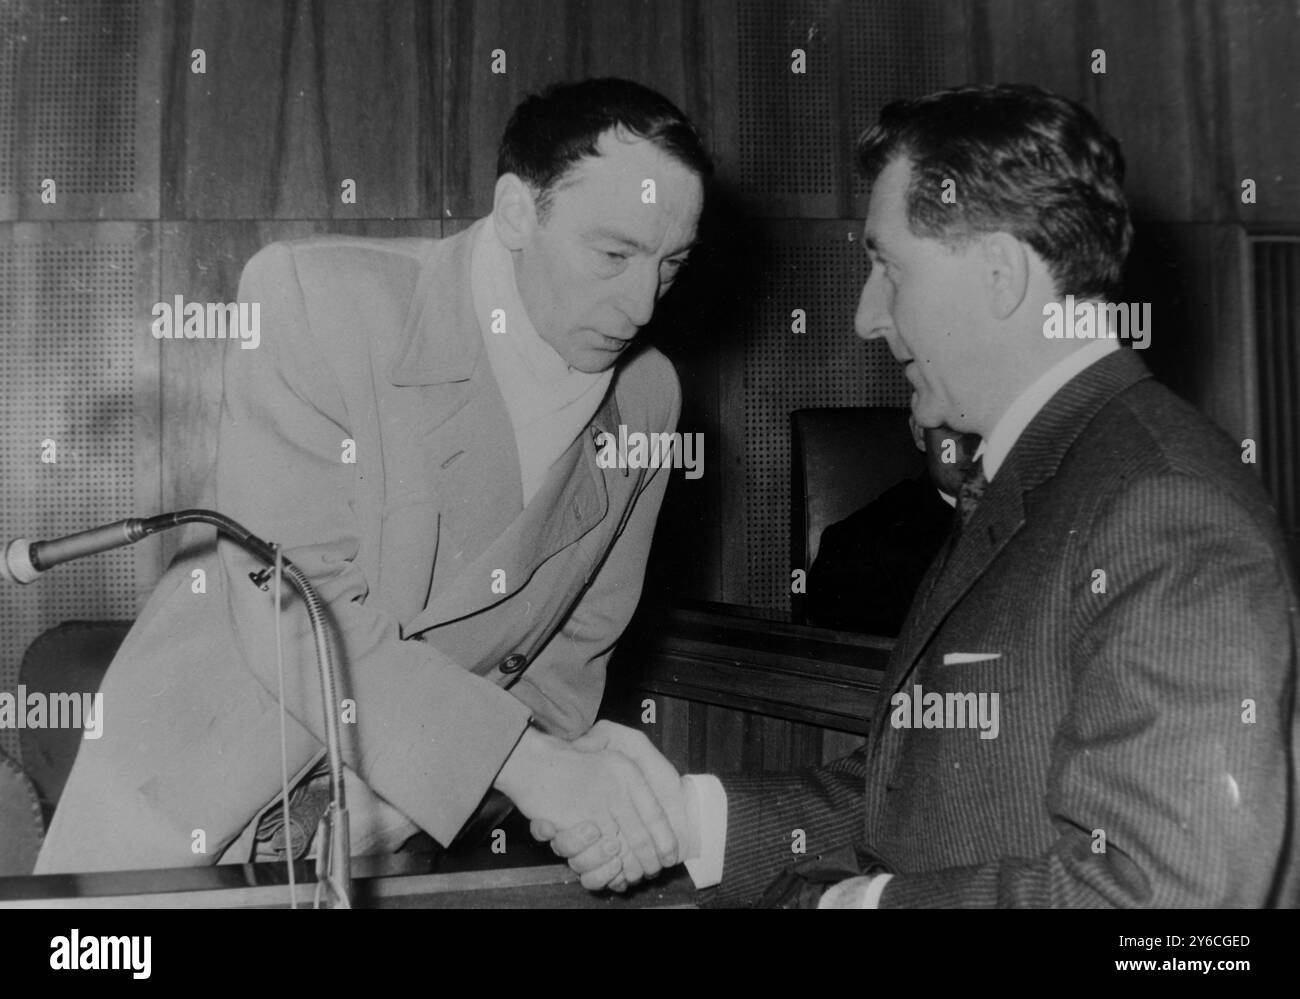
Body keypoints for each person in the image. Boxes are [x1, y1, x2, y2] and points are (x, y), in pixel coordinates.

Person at [538, 83, 1300, 907]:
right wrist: (685, 817)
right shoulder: (1048, 471)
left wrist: (856, 907)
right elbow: (919, 795)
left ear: (1001, 275)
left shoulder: (1164, 505)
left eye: (888, 267)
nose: (868, 317)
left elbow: (1170, 910)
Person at [36, 78, 707, 880]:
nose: (640, 305)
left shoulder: (648, 395)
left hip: (399, 818)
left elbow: (567, 666)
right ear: (519, 212)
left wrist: (417, 806)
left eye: (671, 265)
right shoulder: (318, 300)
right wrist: (533, 768)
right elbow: (294, 609)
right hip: (191, 787)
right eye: (613, 254)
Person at [806, 421, 979, 636]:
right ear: (920, 434)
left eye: (985, 425)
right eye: (951, 426)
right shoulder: (856, 546)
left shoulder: (1031, 520)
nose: (970, 446)